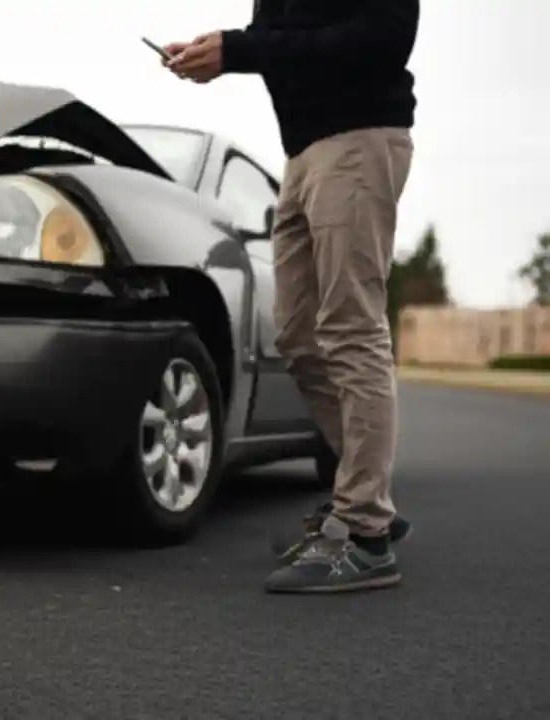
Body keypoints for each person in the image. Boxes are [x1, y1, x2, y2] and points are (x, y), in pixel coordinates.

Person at [163, 0, 421, 593]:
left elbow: (384, 35)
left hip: (358, 138)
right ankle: (364, 497)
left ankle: (364, 532)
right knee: (300, 338)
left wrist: (240, 49)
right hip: (303, 151)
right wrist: (221, 52)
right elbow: (281, 36)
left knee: (352, 329)